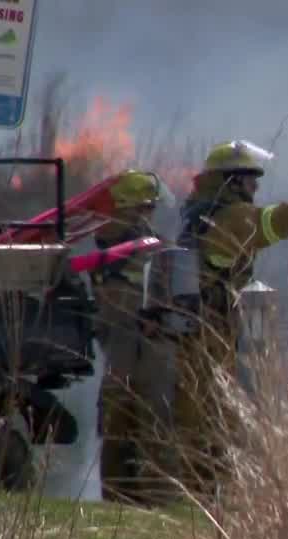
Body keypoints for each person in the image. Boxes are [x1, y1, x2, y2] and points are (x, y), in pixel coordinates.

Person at [170, 140, 288, 493]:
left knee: (200, 419)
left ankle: (200, 497)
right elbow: (279, 219)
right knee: (216, 423)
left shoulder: (200, 214)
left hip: (198, 334)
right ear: (232, 182)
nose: (256, 188)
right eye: (250, 180)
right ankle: (206, 501)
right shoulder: (232, 217)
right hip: (210, 338)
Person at [87, 169, 174, 501]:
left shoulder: (113, 247)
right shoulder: (122, 247)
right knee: (142, 429)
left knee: (125, 428)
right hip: (138, 354)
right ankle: (148, 499)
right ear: (133, 209)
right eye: (147, 207)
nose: (150, 214)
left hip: (131, 354)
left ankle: (129, 500)